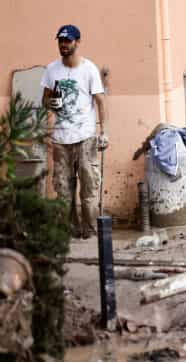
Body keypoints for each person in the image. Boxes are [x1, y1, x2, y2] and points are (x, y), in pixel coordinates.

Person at [40, 25, 107, 239]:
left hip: (85, 137)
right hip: (60, 139)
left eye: (68, 41)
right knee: (63, 190)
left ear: (78, 42)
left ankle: (90, 232)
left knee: (88, 190)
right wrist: (53, 102)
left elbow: (100, 101)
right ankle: (70, 231)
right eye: (60, 41)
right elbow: (44, 100)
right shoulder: (52, 70)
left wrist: (103, 131)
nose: (63, 45)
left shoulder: (89, 69)